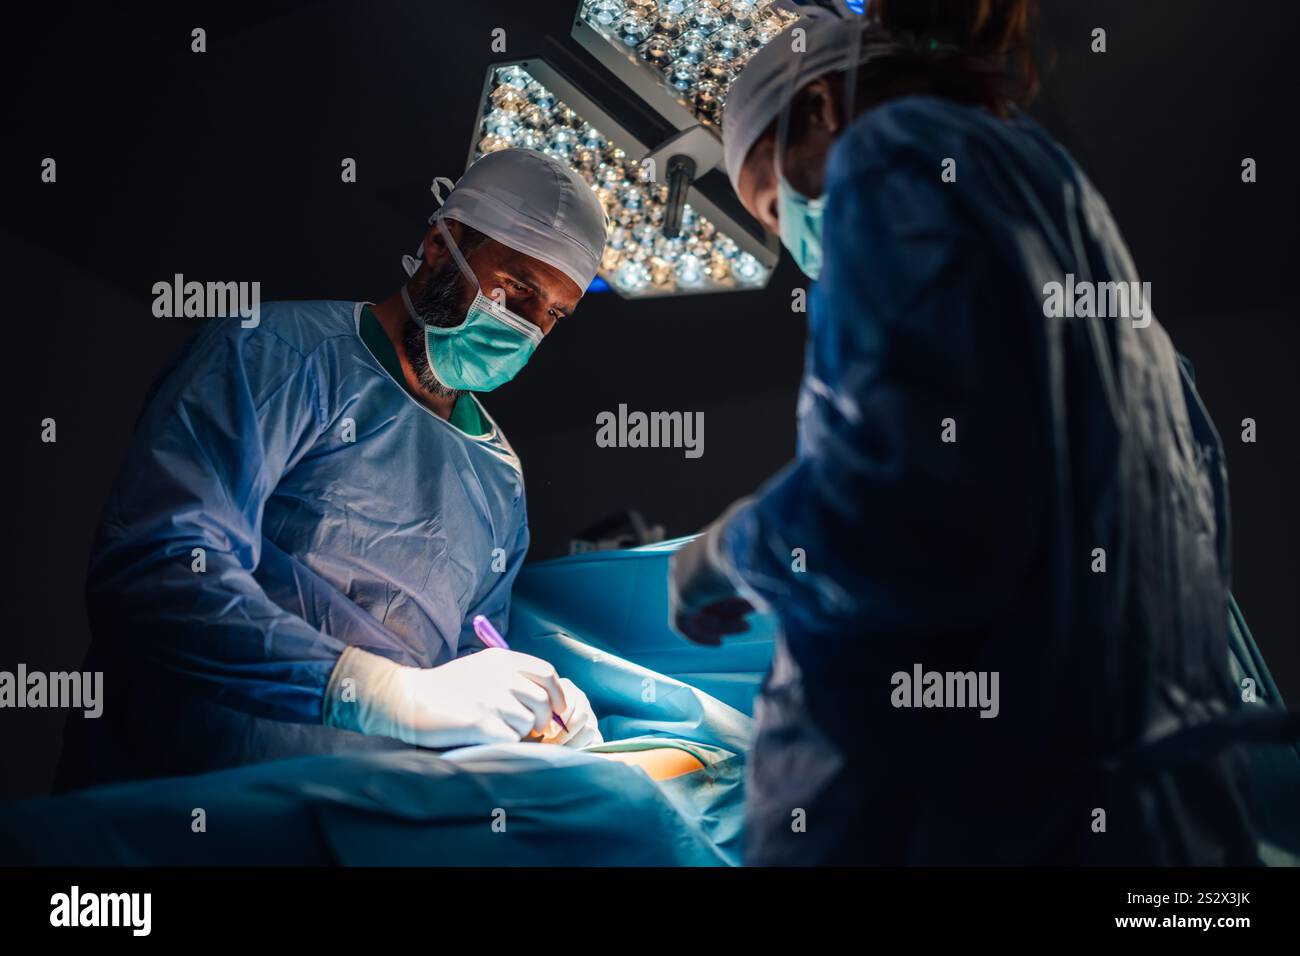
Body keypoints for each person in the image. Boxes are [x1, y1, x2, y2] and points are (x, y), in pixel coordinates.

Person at [669, 2, 1278, 864]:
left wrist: (732, 551)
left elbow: (899, 509)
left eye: (773, 206)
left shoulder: (898, 154)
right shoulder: (1098, 270)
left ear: (820, 108)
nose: (792, 243)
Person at [58, 148, 609, 790]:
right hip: (178, 803)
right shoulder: (279, 354)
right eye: (516, 289)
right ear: (440, 243)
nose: (528, 327)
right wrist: (382, 694)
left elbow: (471, 659)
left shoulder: (496, 475)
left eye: (552, 314)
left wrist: (531, 716)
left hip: (363, 826)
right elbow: (158, 575)